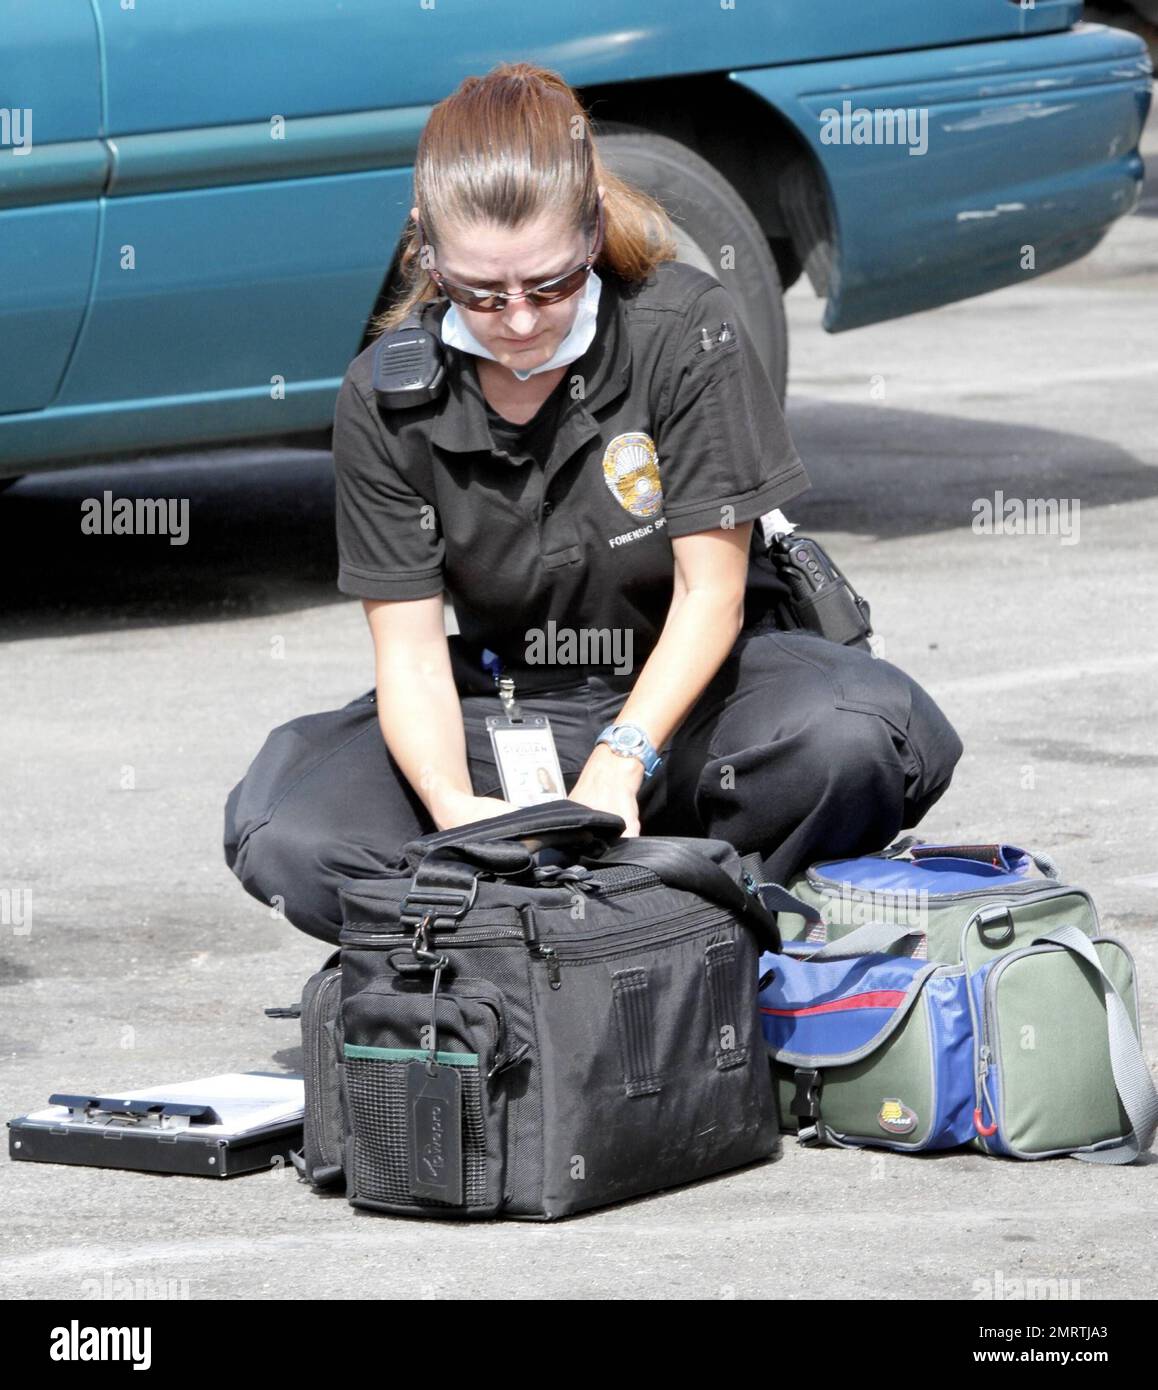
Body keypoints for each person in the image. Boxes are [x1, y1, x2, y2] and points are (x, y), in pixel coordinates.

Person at [223, 61, 963, 947]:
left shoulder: (685, 330)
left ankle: (678, 918)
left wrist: (623, 759)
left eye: (549, 284)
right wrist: (461, 816)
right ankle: (528, 936)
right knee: (286, 825)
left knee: (858, 734)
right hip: (510, 708)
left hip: (695, 708)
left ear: (593, 230)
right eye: (480, 293)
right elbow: (413, 656)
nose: (521, 320)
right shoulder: (384, 397)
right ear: (424, 249)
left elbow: (710, 595)